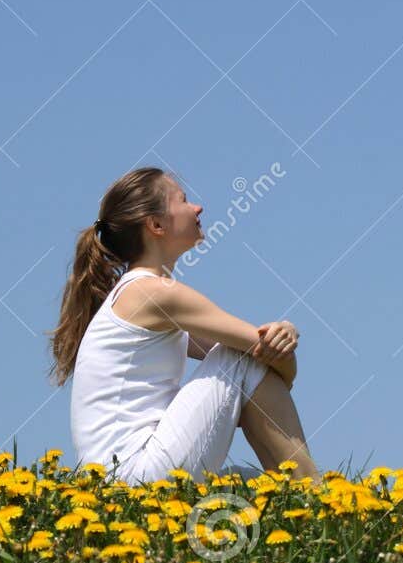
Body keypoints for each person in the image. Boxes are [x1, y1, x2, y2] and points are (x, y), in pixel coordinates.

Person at [47, 166, 320, 485]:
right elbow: (259, 354)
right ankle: (315, 495)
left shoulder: (139, 296)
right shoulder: (154, 294)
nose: (198, 208)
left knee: (250, 486)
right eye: (184, 200)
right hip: (135, 475)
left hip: (121, 478)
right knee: (238, 359)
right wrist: (283, 334)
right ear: (157, 224)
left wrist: (277, 351)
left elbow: (264, 365)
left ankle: (300, 503)